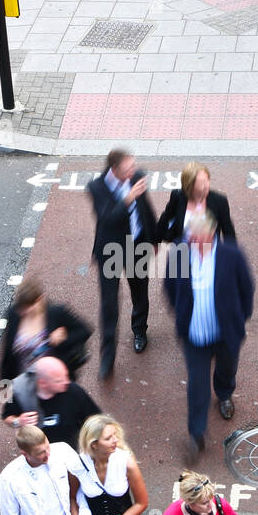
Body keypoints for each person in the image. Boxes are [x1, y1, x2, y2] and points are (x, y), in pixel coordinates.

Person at [162, 215, 255, 462]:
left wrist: (239, 319)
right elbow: (170, 288)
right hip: (194, 335)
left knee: (227, 367)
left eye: (197, 238)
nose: (192, 242)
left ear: (211, 235)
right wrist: (181, 314)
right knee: (197, 384)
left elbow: (246, 289)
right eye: (190, 237)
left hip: (225, 333)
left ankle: (224, 393)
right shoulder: (180, 254)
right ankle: (196, 435)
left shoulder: (231, 255)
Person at [88, 147, 158, 379]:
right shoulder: (97, 188)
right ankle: (107, 355)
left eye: (133, 166)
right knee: (109, 303)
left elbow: (146, 209)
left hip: (137, 247)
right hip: (111, 251)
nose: (133, 171)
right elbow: (107, 218)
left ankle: (139, 331)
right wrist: (129, 198)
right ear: (115, 170)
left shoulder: (135, 178)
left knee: (140, 292)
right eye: (128, 168)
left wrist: (154, 238)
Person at [0, 278, 92, 384]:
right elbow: (8, 352)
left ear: (40, 300)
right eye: (23, 308)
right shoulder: (13, 315)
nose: (27, 311)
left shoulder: (56, 313)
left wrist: (63, 339)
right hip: (25, 383)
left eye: (31, 306)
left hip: (55, 382)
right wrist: (4, 382)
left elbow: (84, 331)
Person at [1, 356, 101, 448]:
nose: (66, 382)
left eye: (66, 376)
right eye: (58, 381)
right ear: (42, 383)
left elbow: (95, 417)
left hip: (70, 449)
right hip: (38, 452)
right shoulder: (20, 393)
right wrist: (18, 421)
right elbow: (7, 417)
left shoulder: (74, 391)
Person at [157, 161, 237, 243]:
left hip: (208, 251)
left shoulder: (219, 201)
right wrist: (156, 242)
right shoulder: (178, 196)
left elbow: (228, 232)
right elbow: (165, 218)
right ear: (189, 186)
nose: (206, 186)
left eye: (207, 180)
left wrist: (232, 253)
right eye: (201, 183)